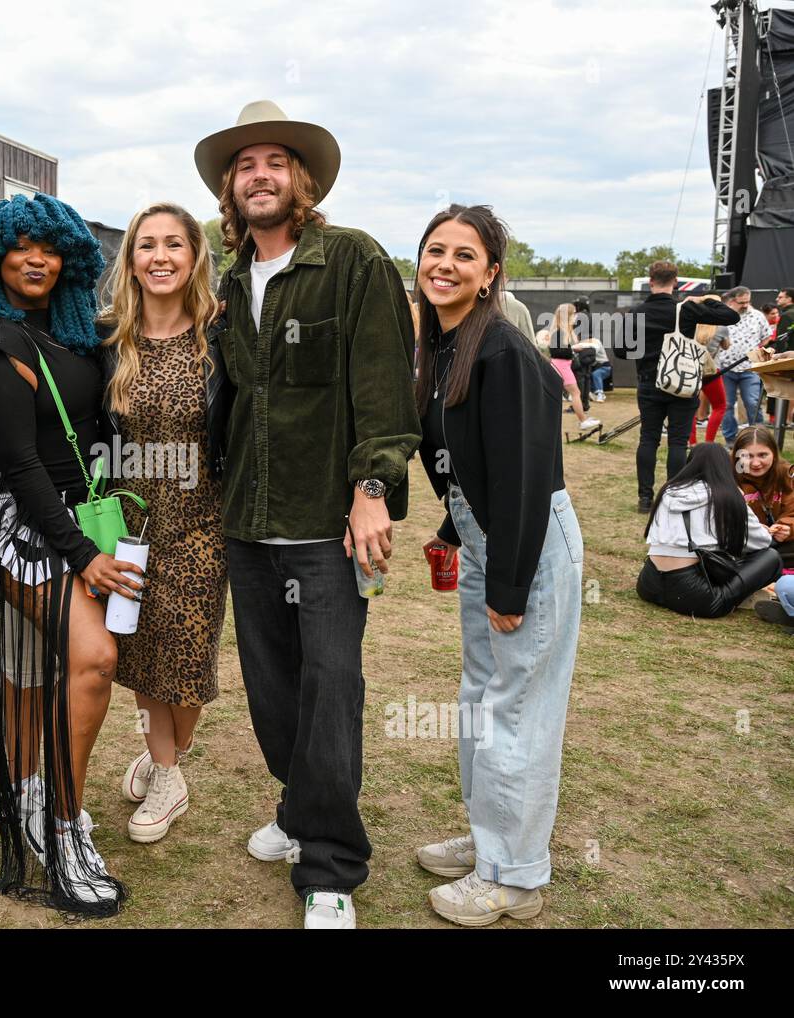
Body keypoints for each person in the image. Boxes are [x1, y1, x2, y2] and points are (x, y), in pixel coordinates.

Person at [193, 100, 421, 928]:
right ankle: (297, 811)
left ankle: (330, 865)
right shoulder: (223, 285)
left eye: (275, 162)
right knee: (271, 688)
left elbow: (386, 390)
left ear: (303, 179)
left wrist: (372, 491)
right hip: (247, 525)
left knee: (332, 689)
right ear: (231, 187)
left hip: (328, 526)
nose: (260, 175)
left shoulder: (352, 260)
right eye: (245, 165)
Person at [0, 193, 143, 917]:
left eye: (50, 248)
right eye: (21, 246)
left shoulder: (74, 338)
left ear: (69, 259)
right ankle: (64, 827)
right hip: (30, 531)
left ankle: (30, 793)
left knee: (29, 671)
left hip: (86, 523)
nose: (36, 259)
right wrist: (81, 555)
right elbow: (19, 463)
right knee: (94, 658)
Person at [412, 204, 582, 928]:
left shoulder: (504, 352)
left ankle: (513, 878)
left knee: (516, 707)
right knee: (481, 697)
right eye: (434, 250)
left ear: (489, 276)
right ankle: (491, 842)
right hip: (488, 538)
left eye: (464, 256)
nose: (445, 264)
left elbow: (522, 473)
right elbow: (468, 461)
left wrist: (507, 582)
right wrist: (455, 528)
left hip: (528, 547)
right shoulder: (446, 346)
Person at [98, 203, 230, 844]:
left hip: (204, 521)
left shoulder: (220, 340)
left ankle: (162, 762)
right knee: (145, 651)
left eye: (173, 244)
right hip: (131, 526)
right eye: (146, 244)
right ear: (130, 259)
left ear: (194, 255)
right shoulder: (107, 339)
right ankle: (170, 772)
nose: (159, 256)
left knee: (189, 655)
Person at [616, 261, 739, 513]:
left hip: (649, 382)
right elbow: (732, 316)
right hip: (682, 382)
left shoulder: (636, 312)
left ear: (651, 281)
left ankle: (644, 499)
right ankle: (673, 496)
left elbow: (621, 351)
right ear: (675, 283)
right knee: (678, 441)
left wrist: (647, 353)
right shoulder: (687, 310)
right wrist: (705, 299)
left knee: (648, 438)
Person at [636, 444, 780, 617]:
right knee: (771, 557)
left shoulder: (668, 491)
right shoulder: (729, 494)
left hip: (648, 584)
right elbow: (760, 542)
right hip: (695, 596)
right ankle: (742, 595)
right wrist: (762, 530)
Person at [732, 426, 794, 570]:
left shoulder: (787, 474)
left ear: (774, 453)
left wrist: (787, 528)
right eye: (747, 456)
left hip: (778, 545)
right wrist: (754, 530)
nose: (755, 463)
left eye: (762, 455)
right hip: (743, 546)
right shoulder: (728, 474)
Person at [717, 286, 768, 448]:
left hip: (750, 368)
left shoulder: (757, 316)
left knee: (752, 402)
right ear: (732, 301)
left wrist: (758, 350)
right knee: (726, 405)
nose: (745, 305)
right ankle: (730, 440)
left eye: (748, 301)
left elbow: (766, 337)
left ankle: (759, 436)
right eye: (741, 302)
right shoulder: (723, 315)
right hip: (726, 368)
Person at [543, 303, 600, 430]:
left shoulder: (564, 331)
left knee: (568, 393)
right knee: (575, 393)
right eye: (573, 314)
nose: (576, 316)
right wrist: (573, 348)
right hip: (561, 366)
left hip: (563, 365)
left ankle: (583, 419)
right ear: (567, 316)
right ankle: (583, 420)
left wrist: (577, 347)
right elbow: (557, 352)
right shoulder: (558, 332)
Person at [688, 323, 728, 447]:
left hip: (690, 369)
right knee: (720, 406)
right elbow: (726, 346)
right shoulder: (721, 327)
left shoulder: (691, 325)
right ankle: (709, 442)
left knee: (688, 407)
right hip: (711, 371)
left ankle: (692, 442)